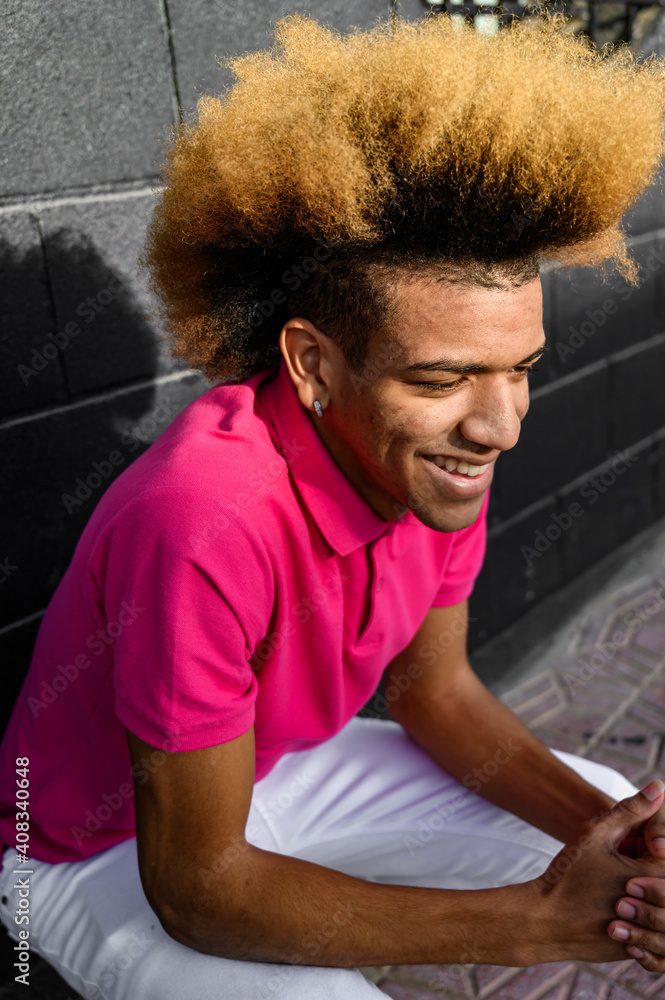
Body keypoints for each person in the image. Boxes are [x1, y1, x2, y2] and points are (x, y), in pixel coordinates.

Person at [2, 12, 665, 999]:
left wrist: (615, 848)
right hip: (82, 847)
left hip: (271, 773)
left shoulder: (439, 457)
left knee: (611, 809)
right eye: (443, 378)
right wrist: (531, 924)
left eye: (516, 370)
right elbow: (195, 885)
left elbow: (432, 692)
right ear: (313, 363)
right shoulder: (200, 517)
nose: (499, 426)